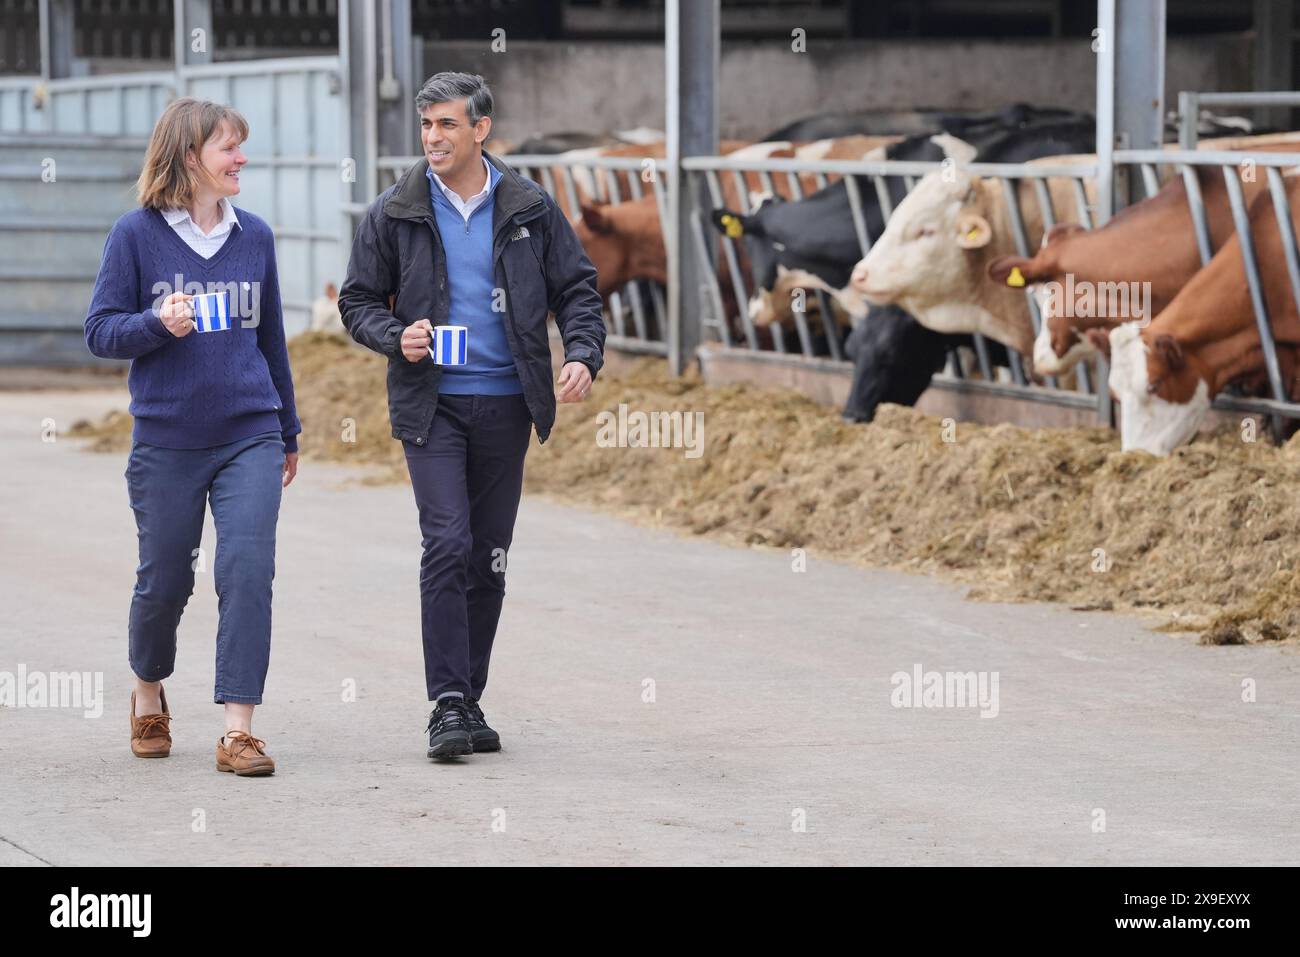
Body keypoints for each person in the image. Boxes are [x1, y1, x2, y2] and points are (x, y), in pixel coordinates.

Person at [339, 72, 606, 760]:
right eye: (426, 125)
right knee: (448, 542)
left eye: (447, 124)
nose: (432, 137)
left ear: (481, 130)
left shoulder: (529, 208)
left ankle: (469, 697)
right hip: (431, 406)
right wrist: (394, 333)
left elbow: (577, 287)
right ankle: (447, 701)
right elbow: (357, 300)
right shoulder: (394, 211)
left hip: (507, 405)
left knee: (488, 558)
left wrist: (582, 352)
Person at [84, 96, 301, 777]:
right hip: (168, 439)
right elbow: (99, 330)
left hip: (250, 434)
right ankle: (148, 689)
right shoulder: (135, 235)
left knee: (247, 569)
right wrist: (155, 323)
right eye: (228, 148)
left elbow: (271, 341)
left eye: (240, 146)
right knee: (166, 579)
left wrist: (287, 429)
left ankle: (239, 730)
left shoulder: (255, 236)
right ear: (189, 157)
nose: (241, 159)